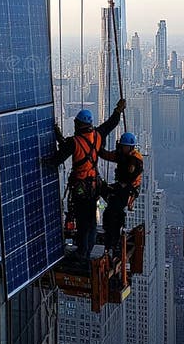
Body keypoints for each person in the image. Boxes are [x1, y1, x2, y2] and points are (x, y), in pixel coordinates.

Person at [44, 99, 126, 262]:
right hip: (94, 185)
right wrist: (118, 110)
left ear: (78, 124)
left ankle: (83, 253)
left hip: (81, 188)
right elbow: (111, 124)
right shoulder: (97, 135)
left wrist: (42, 162)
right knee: (91, 221)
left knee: (83, 222)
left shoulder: (74, 142)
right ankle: (87, 250)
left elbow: (56, 159)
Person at [100, 132, 143, 255]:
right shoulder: (123, 155)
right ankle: (111, 240)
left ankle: (114, 243)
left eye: (124, 146)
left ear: (130, 147)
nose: (122, 148)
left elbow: (131, 173)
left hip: (128, 190)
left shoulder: (135, 159)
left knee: (114, 213)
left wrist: (123, 159)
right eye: (121, 146)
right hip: (122, 188)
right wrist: (98, 148)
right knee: (102, 189)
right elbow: (107, 155)